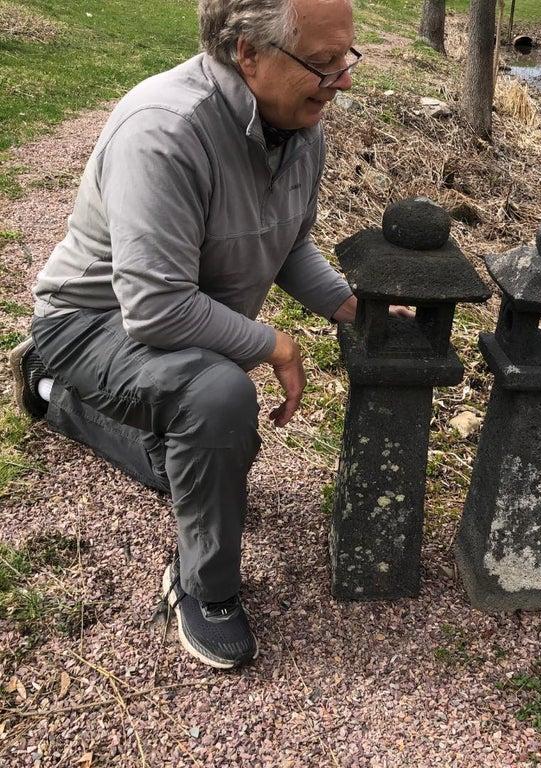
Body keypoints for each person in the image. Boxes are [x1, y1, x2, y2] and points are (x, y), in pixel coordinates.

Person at [9, 0, 365, 669]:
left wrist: (351, 307)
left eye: (345, 59)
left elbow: (288, 246)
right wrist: (274, 344)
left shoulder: (299, 123)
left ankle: (56, 398)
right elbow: (153, 307)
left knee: (203, 459)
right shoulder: (165, 130)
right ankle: (206, 588)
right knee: (219, 400)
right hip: (89, 322)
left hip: (179, 322)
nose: (341, 80)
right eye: (321, 64)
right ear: (247, 53)